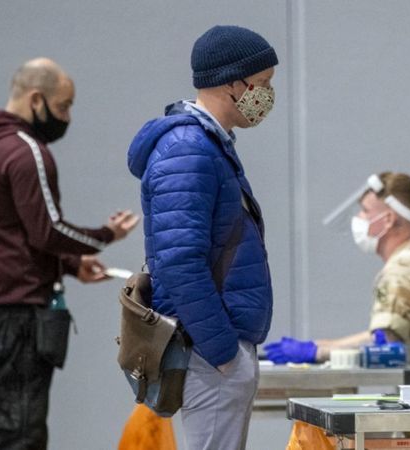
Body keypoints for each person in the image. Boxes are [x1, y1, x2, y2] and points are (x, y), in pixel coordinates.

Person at [0, 57, 139, 450]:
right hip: (17, 316)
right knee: (21, 435)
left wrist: (71, 265)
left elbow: (12, 234)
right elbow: (48, 229)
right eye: (63, 106)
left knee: (10, 427)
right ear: (36, 99)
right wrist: (106, 235)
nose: (67, 117)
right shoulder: (26, 151)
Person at [127, 25, 277, 450]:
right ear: (232, 82)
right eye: (262, 84)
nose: (266, 96)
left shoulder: (209, 145)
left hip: (214, 349)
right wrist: (223, 353)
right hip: (207, 353)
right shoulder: (188, 150)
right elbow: (179, 262)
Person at [265, 172, 410, 385]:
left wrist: (316, 351)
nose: (359, 219)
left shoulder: (405, 268)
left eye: (367, 211)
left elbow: (384, 342)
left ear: (388, 220)